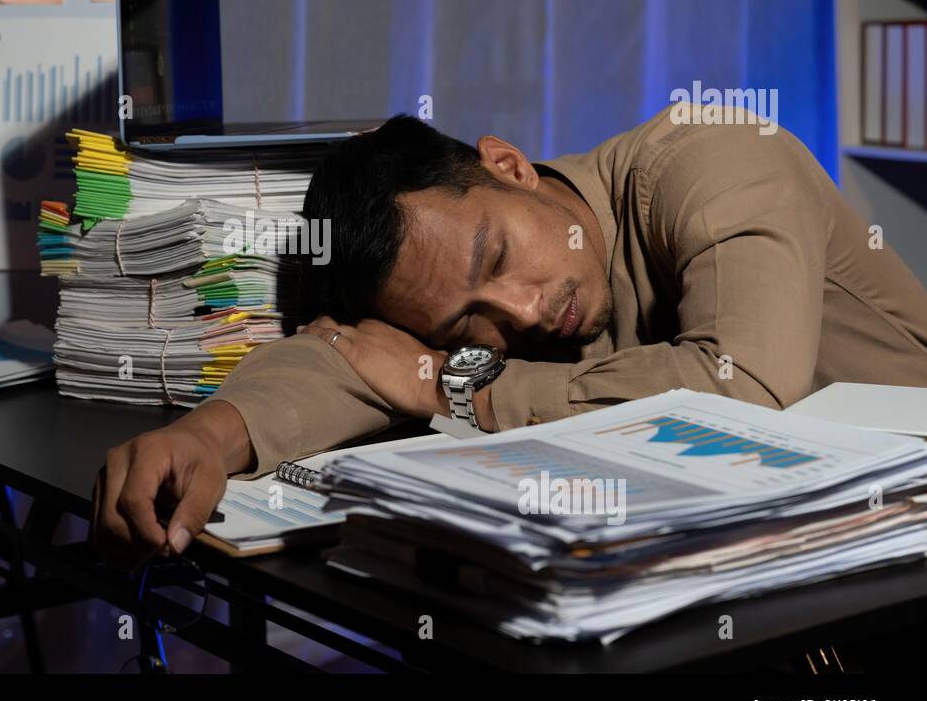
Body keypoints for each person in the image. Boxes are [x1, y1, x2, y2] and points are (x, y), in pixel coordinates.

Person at [90, 104, 927, 562]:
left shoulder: (717, 158)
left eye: (498, 254)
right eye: (468, 321)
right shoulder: (469, 306)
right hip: (737, 560)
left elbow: (740, 392)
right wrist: (207, 434)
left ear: (508, 163)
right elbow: (342, 357)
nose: (522, 313)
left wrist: (454, 386)